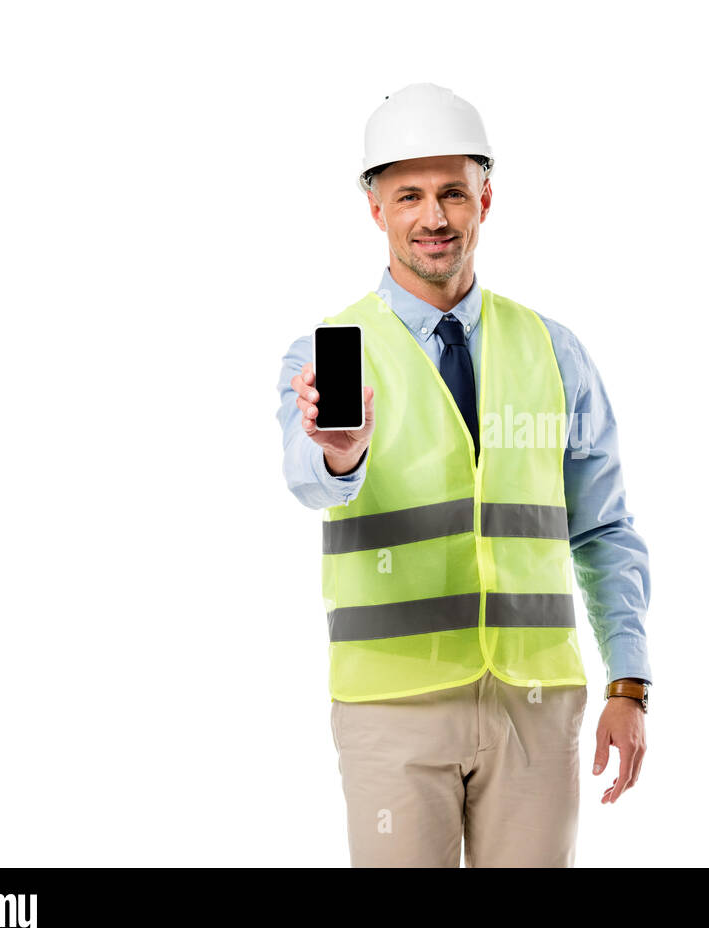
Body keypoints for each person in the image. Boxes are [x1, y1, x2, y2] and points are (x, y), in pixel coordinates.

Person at [275, 83, 652, 867]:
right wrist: (342, 452)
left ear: (487, 198)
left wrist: (630, 680)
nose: (434, 217)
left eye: (453, 191)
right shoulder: (330, 350)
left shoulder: (555, 350)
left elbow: (604, 526)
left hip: (536, 709)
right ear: (376, 210)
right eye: (408, 194)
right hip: (393, 709)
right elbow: (309, 477)